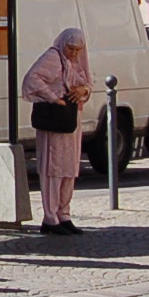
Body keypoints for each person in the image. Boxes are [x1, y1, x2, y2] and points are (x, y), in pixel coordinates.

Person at [23, 27, 92, 236]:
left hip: (71, 119)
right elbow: (32, 79)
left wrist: (83, 90)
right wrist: (53, 98)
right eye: (70, 49)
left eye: (77, 50)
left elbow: (87, 82)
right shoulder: (53, 57)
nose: (73, 54)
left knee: (69, 167)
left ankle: (64, 213)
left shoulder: (76, 61)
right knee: (53, 168)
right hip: (55, 119)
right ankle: (50, 215)